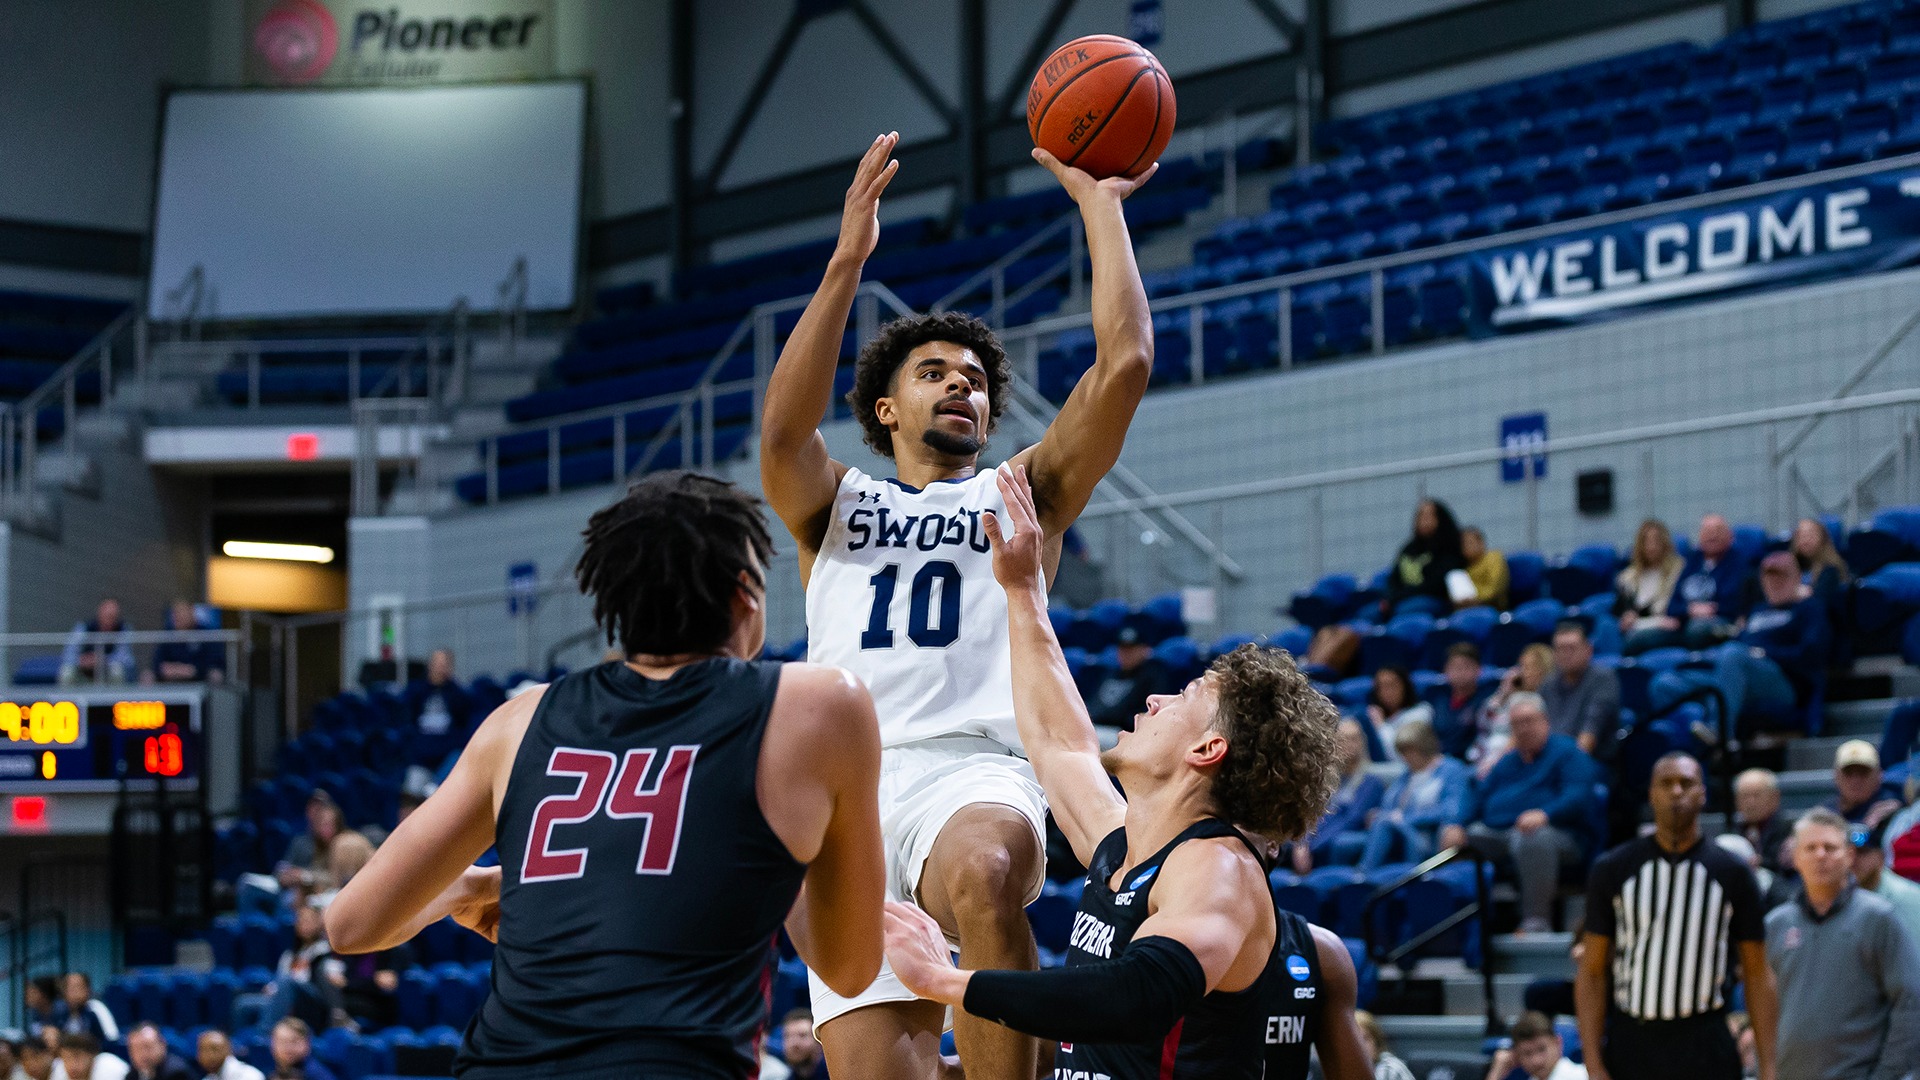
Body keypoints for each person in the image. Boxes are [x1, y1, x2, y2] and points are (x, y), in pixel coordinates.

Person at [757, 133, 1159, 1080]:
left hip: (973, 768)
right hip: (849, 793)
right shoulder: (834, 504)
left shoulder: (1023, 492)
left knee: (983, 877)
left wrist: (1103, 204)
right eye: (935, 373)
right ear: (886, 409)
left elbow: (1127, 363)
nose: (962, 387)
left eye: (976, 380)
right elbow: (781, 430)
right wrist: (848, 260)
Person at [324, 472, 885, 1079]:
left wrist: (466, 888)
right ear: (746, 594)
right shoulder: (820, 705)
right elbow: (850, 968)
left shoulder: (519, 719)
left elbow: (351, 923)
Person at [880, 463, 1371, 1080]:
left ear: (1207, 750)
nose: (1156, 701)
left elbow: (1138, 996)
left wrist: (950, 982)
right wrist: (1022, 592)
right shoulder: (1126, 846)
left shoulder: (1218, 870)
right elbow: (1059, 742)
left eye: (1184, 696)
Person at [1576, 753, 1777, 1080]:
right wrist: (1593, 1064)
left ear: (1703, 793)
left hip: (1704, 1040)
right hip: (1633, 1039)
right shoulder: (1613, 869)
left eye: (1686, 783)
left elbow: (1756, 972)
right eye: (1666, 784)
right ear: (1652, 794)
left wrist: (1768, 1067)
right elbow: (1593, 972)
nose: (1676, 792)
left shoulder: (1733, 873)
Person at [1766, 808, 1920, 1080]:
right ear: (1795, 857)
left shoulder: (1878, 918)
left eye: (1830, 847)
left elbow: (1910, 1001)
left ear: (1849, 856)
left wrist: (1888, 1074)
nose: (1820, 855)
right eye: (1810, 848)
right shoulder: (1776, 924)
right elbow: (1765, 1007)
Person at [1441, 693, 1601, 933]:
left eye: (1529, 721)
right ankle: (1460, 927)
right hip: (1501, 832)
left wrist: (1545, 814)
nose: (1524, 728)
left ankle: (1536, 922)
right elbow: (1478, 796)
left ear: (1545, 721)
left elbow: (1578, 795)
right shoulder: (1507, 761)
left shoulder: (1568, 752)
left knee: (1532, 836)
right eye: (1517, 723)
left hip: (1561, 835)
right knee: (1458, 839)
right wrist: (1456, 823)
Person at [1650, 553, 1829, 740]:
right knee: (1665, 683)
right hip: (1736, 674)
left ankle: (1718, 733)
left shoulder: (1810, 608)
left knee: (1733, 653)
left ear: (1797, 578)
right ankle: (1682, 751)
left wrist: (1764, 653)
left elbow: (1812, 654)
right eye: (1768, 576)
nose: (1774, 582)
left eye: (1781, 576)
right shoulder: (1757, 611)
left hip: (1783, 681)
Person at [1357, 719, 1473, 872]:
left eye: (1409, 751)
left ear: (1424, 747)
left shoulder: (1451, 770)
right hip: (1397, 832)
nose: (1406, 757)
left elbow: (1452, 811)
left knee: (1385, 823)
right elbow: (1390, 808)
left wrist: (1406, 818)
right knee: (1344, 843)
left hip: (1428, 835)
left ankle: (1363, 874)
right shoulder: (1407, 775)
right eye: (1402, 752)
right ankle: (1361, 878)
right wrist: (1380, 814)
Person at [231, 898, 336, 1032]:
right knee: (243, 1004)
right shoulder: (289, 955)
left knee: (287, 983)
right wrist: (273, 988)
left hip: (311, 1000)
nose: (305, 924)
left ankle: (265, 1035)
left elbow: (328, 981)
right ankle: (243, 1046)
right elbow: (280, 979)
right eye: (301, 921)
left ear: (319, 924)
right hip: (285, 995)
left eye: (310, 921)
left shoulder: (325, 951)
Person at [1295, 718, 1385, 871]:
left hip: (1344, 840)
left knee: (1340, 843)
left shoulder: (1371, 782)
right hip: (1319, 840)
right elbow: (1315, 816)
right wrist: (1303, 842)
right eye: (1343, 740)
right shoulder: (1328, 781)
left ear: (1362, 742)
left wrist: (1311, 846)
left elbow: (1352, 820)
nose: (1349, 744)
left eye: (1354, 738)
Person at [1667, 515, 1754, 651]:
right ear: (1700, 536)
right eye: (1707, 531)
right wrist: (1690, 610)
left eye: (1718, 531)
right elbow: (1672, 606)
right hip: (1685, 622)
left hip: (1723, 623)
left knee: (1697, 629)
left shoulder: (1739, 564)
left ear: (1730, 536)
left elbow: (1735, 605)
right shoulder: (1692, 561)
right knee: (1642, 639)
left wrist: (1710, 610)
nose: (1712, 536)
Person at [1540, 621, 1621, 760]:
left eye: (1571, 648)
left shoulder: (1602, 679)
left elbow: (1589, 737)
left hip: (1589, 763)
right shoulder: (1548, 683)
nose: (1566, 654)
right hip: (1550, 762)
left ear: (1588, 650)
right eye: (1560, 649)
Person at [1473, 644, 1553, 775]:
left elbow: (1519, 738)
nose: (1522, 672)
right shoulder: (1512, 696)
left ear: (1543, 670)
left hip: (1508, 762)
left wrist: (1494, 764)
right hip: (1483, 755)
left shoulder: (1539, 701)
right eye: (1521, 666)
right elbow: (1482, 724)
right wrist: (1503, 693)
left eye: (1529, 667)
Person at [1383, 499, 1466, 618]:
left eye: (1429, 515)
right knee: (1368, 613)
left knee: (1404, 611)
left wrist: (1398, 597)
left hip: (1435, 600)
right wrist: (1389, 598)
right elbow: (1393, 579)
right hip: (1402, 599)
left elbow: (1435, 585)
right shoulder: (1408, 549)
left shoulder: (1449, 547)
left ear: (1440, 519)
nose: (1424, 520)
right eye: (1421, 515)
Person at [1616, 520, 1687, 655]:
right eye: (1646, 541)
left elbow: (1672, 619)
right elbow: (1624, 617)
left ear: (1665, 543)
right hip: (1642, 627)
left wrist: (1638, 623)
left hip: (1670, 631)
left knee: (1635, 639)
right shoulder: (1627, 578)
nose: (1651, 546)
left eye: (1656, 541)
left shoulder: (1680, 570)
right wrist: (1628, 618)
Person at [1088, 619, 1174, 730]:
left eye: (1132, 649)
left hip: (1126, 733)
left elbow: (1147, 715)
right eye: (1123, 649)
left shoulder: (1153, 676)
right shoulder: (1110, 674)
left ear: (1145, 650)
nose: (1126, 654)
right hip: (1098, 728)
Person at [403, 649, 474, 768]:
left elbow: (462, 723)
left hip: (447, 753)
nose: (440, 668)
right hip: (421, 752)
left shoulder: (458, 694)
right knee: (414, 782)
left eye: (445, 664)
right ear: (430, 665)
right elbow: (407, 721)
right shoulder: (415, 691)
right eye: (438, 664)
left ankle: (433, 786)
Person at [1855, 818, 1920, 945]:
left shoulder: (1906, 897)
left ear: (1881, 856)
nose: (1854, 860)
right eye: (1849, 853)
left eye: (1863, 853)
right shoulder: (1836, 894)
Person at [1823, 740, 1905, 829]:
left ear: (1879, 775)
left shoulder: (1889, 807)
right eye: (1848, 772)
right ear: (1836, 776)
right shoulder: (1826, 812)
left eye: (1863, 772)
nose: (1855, 780)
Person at [1431, 642, 1493, 759]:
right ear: (1446, 670)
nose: (1460, 672)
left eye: (1466, 666)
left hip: (1472, 763)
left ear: (1478, 669)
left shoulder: (1486, 700)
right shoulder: (1439, 701)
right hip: (1439, 762)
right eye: (1454, 667)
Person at [1487, 1012, 1585, 1080]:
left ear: (1558, 1043)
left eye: (1542, 1049)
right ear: (1517, 1056)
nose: (1536, 1061)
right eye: (1527, 1053)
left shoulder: (1583, 1075)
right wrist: (1496, 1073)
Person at [1367, 665, 1435, 763]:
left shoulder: (1420, 712)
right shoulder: (1373, 713)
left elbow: (1401, 756)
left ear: (1405, 686)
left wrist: (1381, 726)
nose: (1387, 691)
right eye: (1381, 687)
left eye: (1392, 685)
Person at [59, 599, 134, 686]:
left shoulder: (122, 629)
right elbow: (68, 653)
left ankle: (115, 698)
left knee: (116, 671)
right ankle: (67, 699)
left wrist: (101, 659)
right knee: (66, 671)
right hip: (83, 669)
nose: (109, 621)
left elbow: (126, 659)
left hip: (107, 668)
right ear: (99, 613)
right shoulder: (84, 627)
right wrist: (82, 660)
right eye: (108, 616)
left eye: (113, 617)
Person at [1734, 768, 1793, 873]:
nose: (1750, 803)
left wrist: (1760, 863)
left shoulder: (1789, 831)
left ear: (1775, 797)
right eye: (1745, 796)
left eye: (1756, 795)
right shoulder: (1733, 832)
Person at [150, 600, 224, 684]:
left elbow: (214, 662)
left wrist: (194, 669)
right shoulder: (168, 634)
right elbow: (157, 662)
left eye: (181, 612)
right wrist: (176, 669)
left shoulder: (205, 634)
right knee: (147, 676)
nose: (177, 616)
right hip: (169, 683)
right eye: (175, 613)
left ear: (191, 612)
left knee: (216, 674)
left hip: (200, 682)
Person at [1789, 518, 1849, 612]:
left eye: (1810, 535)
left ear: (1822, 538)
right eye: (1801, 535)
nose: (1806, 540)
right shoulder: (1791, 568)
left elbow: (1821, 601)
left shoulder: (1831, 569)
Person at [757, 1010, 824, 1080]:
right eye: (788, 1036)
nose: (794, 1043)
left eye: (802, 1035)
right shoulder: (786, 1077)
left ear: (818, 1040)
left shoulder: (833, 1072)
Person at [1354, 1011, 1416, 1080]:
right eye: (1354, 1041)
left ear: (1376, 1042)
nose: (1360, 1046)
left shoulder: (1391, 1069)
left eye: (1365, 1039)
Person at [264, 1020, 335, 1080]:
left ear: (307, 1044)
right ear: (272, 1043)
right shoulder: (267, 1070)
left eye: (294, 1042)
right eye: (282, 1041)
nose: (288, 1048)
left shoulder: (316, 1074)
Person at [1461, 526, 1511, 610]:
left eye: (1469, 543)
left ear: (1481, 543)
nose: (1465, 547)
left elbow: (1495, 588)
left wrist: (1475, 600)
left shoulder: (1493, 558)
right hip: (1469, 608)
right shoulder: (1462, 568)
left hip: (1494, 607)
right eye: (1462, 544)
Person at [56, 976, 116, 1045]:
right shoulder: (60, 1013)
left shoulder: (96, 1008)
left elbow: (112, 1038)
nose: (75, 993)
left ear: (88, 990)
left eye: (78, 987)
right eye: (71, 989)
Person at [123, 1025, 193, 1080]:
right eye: (136, 1049)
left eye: (147, 1047)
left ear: (162, 1045)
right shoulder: (133, 1075)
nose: (143, 1054)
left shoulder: (176, 1073)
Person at [49, 1035, 125, 1080]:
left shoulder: (108, 1067)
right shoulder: (59, 1071)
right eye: (66, 1058)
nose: (71, 1065)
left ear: (92, 1056)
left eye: (77, 1057)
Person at [195, 1031, 263, 1080]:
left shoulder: (249, 1075)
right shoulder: (208, 1079)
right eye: (203, 1050)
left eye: (215, 1049)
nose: (209, 1055)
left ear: (229, 1050)